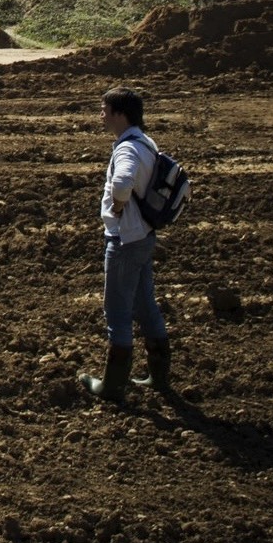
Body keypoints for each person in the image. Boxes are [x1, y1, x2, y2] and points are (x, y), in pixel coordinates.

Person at [79, 86, 171, 404]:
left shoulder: (127, 149)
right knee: (145, 305)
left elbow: (122, 183)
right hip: (144, 236)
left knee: (117, 311)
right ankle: (159, 376)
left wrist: (117, 208)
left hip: (125, 239)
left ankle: (113, 385)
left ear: (120, 114)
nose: (101, 116)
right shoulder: (146, 142)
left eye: (104, 110)